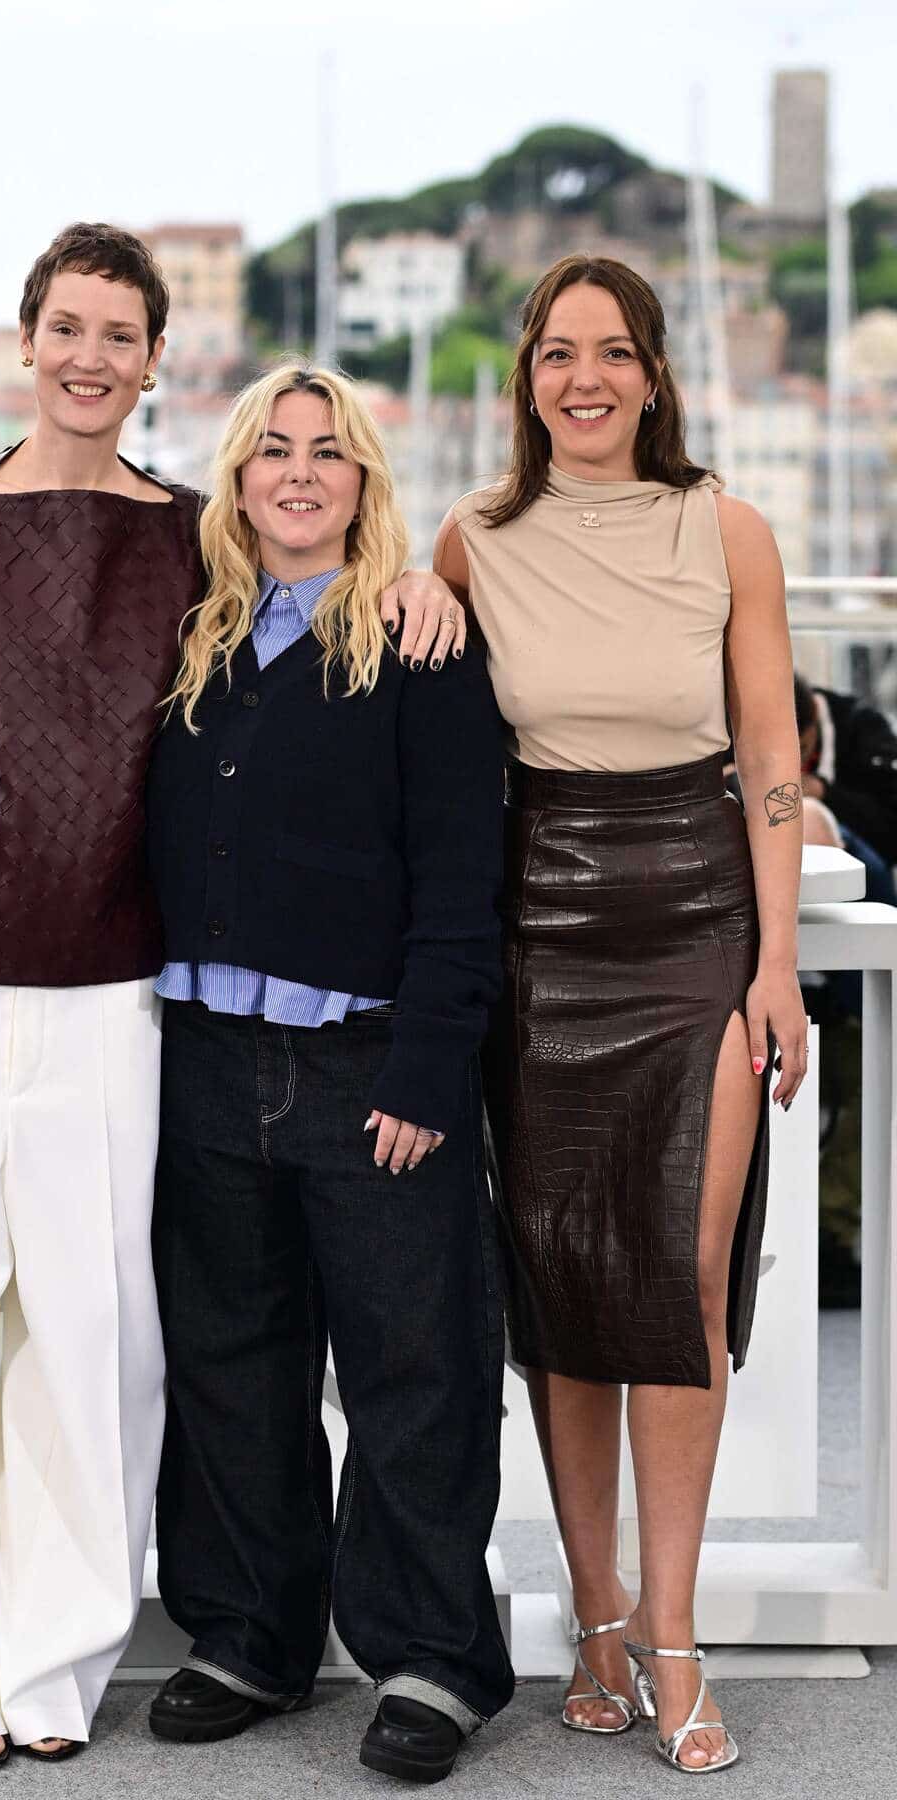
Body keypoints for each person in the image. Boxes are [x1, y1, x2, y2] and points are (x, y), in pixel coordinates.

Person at [0, 224, 462, 1769]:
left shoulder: (194, 534)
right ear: (28, 335)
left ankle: (53, 1672)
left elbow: (321, 557)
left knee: (100, 1358)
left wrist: (435, 583)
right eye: (69, 327)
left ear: (157, 359)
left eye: (123, 334)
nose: (91, 357)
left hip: (119, 992)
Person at [435, 255, 807, 1775]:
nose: (582, 379)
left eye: (611, 353)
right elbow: (383, 700)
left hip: (698, 922)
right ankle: (592, 1615)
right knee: (564, 1289)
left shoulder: (729, 532)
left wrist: (776, 964)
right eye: (554, 353)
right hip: (538, 923)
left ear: (654, 374)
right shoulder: (469, 540)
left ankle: (671, 1627)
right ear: (526, 379)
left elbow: (775, 756)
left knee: (680, 1288)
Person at [144, 362, 514, 1786]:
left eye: (329, 454)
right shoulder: (189, 638)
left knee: (416, 1370)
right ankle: (249, 1632)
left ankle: (431, 1656)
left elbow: (461, 878)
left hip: (371, 1065)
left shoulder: (419, 641)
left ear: (364, 483)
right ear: (236, 481)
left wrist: (431, 1072)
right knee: (235, 1368)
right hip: (207, 1061)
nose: (299, 474)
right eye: (272, 452)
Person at [794, 670, 897, 866]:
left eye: (802, 749)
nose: (794, 763)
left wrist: (823, 791)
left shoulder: (865, 730)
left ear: (816, 712)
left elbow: (891, 830)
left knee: (810, 816)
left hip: (863, 856)